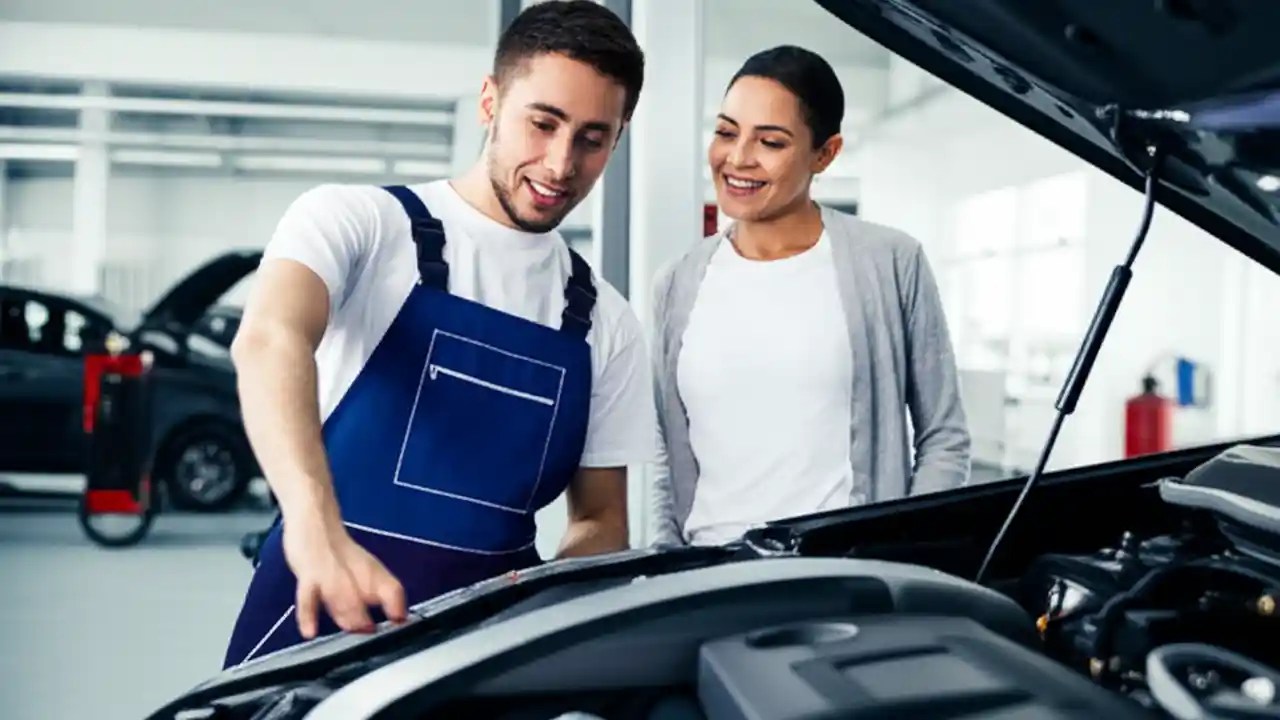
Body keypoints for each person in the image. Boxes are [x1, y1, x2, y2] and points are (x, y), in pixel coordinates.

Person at [222, 0, 655, 667]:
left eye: (592, 138)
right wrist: (313, 526)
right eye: (542, 123)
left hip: (490, 650)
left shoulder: (604, 319)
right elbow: (270, 338)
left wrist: (543, 609)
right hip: (317, 614)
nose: (561, 163)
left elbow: (600, 520)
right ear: (490, 101)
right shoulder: (359, 223)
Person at [649, 45, 970, 548]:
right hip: (706, 582)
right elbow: (666, 455)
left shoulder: (890, 261)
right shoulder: (677, 282)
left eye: (770, 142)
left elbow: (944, 440)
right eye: (726, 132)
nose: (737, 158)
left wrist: (901, 555)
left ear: (826, 153)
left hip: (840, 579)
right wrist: (665, 569)